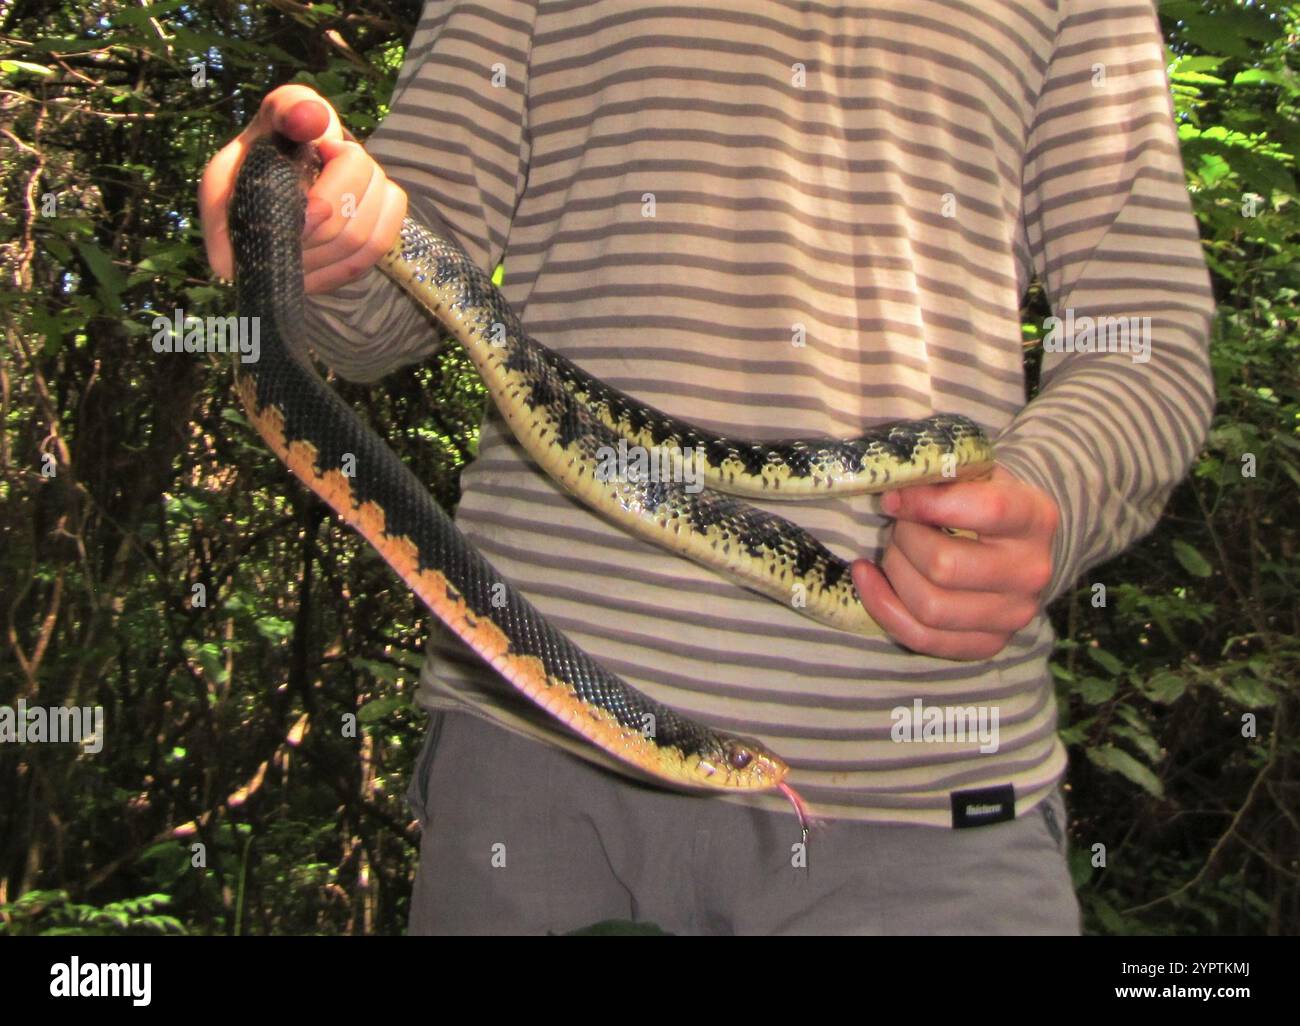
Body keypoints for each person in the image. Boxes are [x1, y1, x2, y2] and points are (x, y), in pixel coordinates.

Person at [200, 0, 1215, 934]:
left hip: (936, 818)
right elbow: (393, 298)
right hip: (537, 781)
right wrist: (302, 218)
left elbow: (1147, 340)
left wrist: (1050, 494)